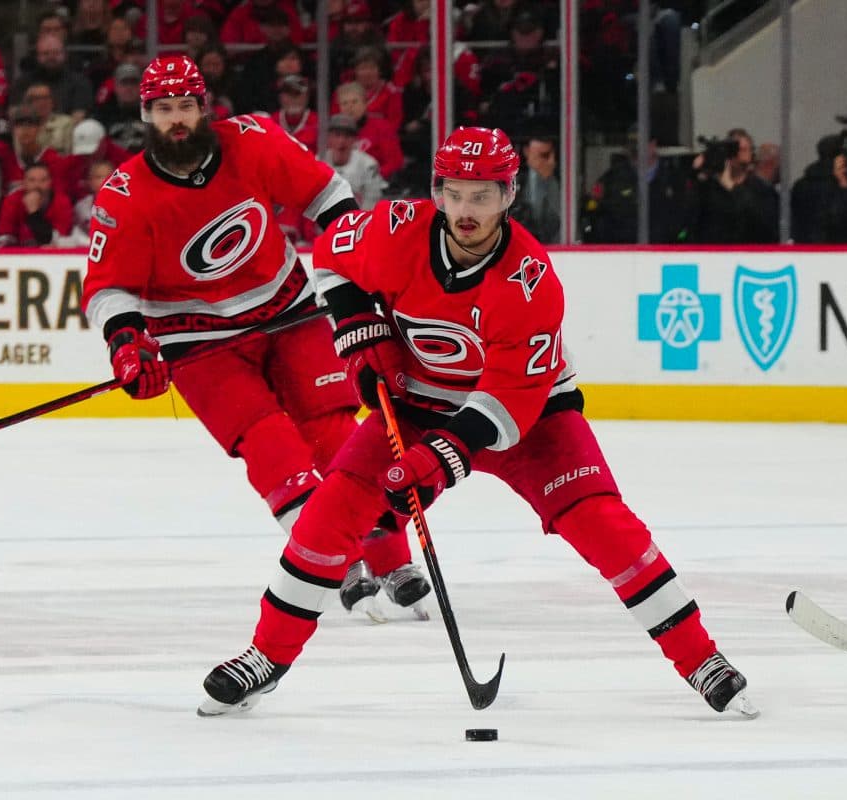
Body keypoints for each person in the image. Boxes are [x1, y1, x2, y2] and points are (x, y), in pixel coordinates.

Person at [199, 127, 759, 720]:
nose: (468, 212)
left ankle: (701, 658)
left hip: (534, 419)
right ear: (437, 192)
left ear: (508, 196)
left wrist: (439, 460)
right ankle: (266, 656)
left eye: (483, 196)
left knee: (607, 527)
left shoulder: (531, 281)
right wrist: (363, 335)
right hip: (417, 404)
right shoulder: (395, 232)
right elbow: (333, 258)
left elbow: (510, 401)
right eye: (457, 194)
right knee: (327, 516)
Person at [80, 55, 431, 622]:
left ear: (204, 108)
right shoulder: (125, 195)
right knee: (273, 449)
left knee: (336, 431)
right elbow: (107, 288)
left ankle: (391, 558)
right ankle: (335, 560)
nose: (176, 120)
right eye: (164, 109)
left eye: (186, 107)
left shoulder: (255, 139)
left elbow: (326, 193)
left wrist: (355, 266)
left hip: (289, 313)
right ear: (146, 114)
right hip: (199, 344)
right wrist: (127, 342)